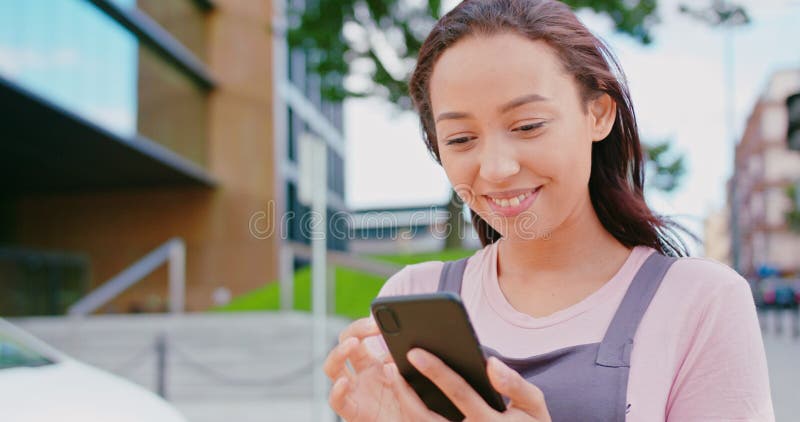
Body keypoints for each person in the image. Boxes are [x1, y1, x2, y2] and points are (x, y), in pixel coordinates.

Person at [323, 0, 775, 420]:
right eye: (461, 139)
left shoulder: (700, 302)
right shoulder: (412, 294)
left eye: (527, 126)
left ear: (598, 114)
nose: (497, 169)